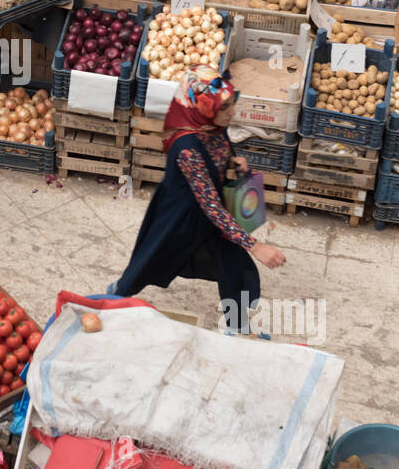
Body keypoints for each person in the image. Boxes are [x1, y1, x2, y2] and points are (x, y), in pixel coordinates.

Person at [111, 66, 286, 335]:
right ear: (202, 106)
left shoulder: (212, 125)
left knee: (235, 267)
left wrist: (235, 163)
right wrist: (256, 245)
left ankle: (237, 326)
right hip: (180, 217)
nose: (232, 112)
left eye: (231, 104)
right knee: (149, 262)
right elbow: (211, 206)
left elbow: (216, 167)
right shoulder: (187, 148)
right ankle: (114, 298)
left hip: (213, 213)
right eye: (224, 107)